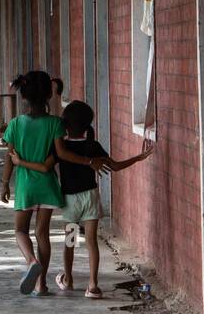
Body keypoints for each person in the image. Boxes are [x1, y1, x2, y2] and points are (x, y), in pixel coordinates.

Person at [11, 99, 149, 298]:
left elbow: (44, 168)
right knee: (91, 242)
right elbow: (116, 166)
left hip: (70, 202)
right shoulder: (93, 146)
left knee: (71, 242)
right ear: (87, 124)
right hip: (90, 198)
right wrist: (138, 157)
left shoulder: (61, 147)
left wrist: (19, 161)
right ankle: (93, 286)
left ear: (65, 125)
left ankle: (68, 279)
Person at [0, 71, 65, 295]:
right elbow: (59, 154)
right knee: (42, 234)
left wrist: (5, 183)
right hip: (47, 185)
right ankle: (42, 284)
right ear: (48, 94)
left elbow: (10, 158)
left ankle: (30, 261)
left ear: (24, 97)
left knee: (20, 230)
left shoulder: (16, 125)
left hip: (26, 187)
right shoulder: (56, 123)